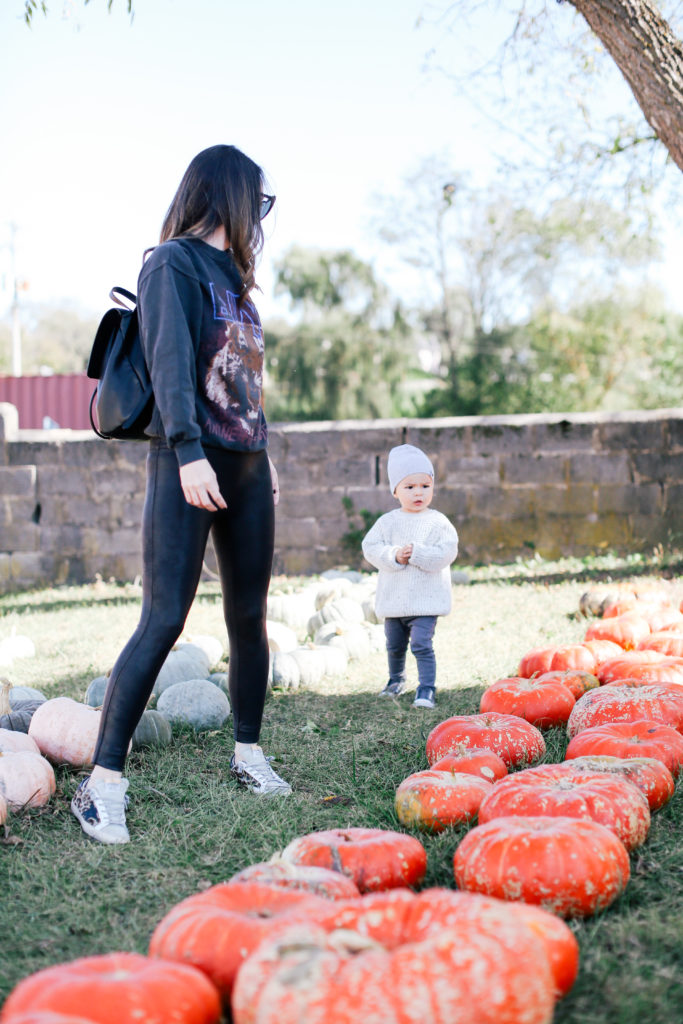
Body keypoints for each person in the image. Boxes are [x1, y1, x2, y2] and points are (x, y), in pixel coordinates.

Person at [71, 144, 290, 845]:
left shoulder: (237, 279)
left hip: (247, 465)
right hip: (186, 463)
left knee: (248, 617)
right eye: (258, 201)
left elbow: (240, 378)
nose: (261, 216)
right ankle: (102, 785)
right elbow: (170, 368)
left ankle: (249, 753)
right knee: (164, 618)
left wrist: (264, 452)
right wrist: (191, 454)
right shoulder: (171, 263)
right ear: (227, 194)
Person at [361, 444, 459, 709]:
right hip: (394, 600)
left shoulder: (437, 522)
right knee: (394, 645)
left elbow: (447, 552)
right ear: (395, 491)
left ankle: (426, 688)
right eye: (410, 487)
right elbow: (370, 547)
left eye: (425, 486)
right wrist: (395, 555)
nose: (418, 492)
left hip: (425, 601)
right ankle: (396, 679)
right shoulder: (387, 522)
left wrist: (417, 554)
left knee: (421, 644)